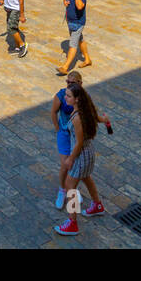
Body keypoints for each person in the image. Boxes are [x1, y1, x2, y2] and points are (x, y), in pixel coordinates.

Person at [55, 82, 106, 235]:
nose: (65, 98)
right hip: (87, 152)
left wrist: (70, 158)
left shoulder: (77, 117)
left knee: (70, 186)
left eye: (68, 96)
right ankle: (97, 205)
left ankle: (72, 223)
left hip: (80, 154)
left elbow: (78, 142)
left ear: (77, 99)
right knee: (86, 178)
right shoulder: (84, 111)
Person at [50, 70, 84, 208]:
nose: (69, 85)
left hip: (76, 136)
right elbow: (53, 111)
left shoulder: (82, 98)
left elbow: (89, 113)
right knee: (67, 165)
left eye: (72, 83)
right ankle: (64, 191)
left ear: (80, 84)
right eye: (67, 82)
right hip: (66, 133)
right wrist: (58, 128)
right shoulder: (62, 95)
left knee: (77, 169)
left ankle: (73, 216)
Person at [57, 0, 90, 75]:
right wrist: (65, 2)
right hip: (70, 21)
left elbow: (80, 6)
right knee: (80, 39)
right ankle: (87, 59)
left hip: (78, 23)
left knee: (73, 44)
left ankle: (65, 67)